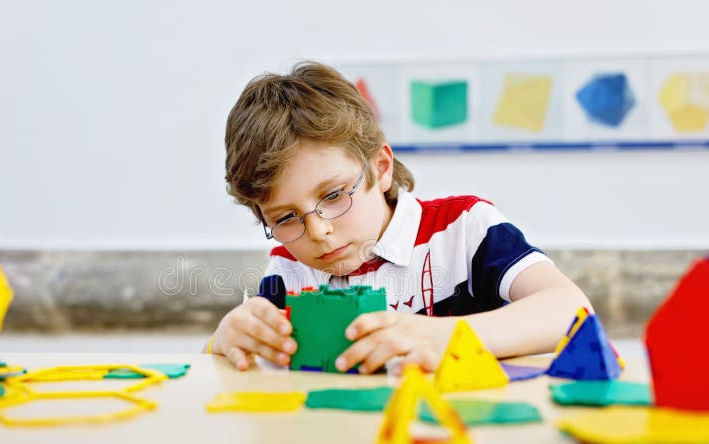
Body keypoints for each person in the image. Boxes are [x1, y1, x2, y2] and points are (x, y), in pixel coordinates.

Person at [207, 61, 591, 374]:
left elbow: (573, 311)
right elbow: (249, 357)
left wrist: (447, 336)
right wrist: (225, 337)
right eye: (286, 217)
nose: (319, 231)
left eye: (335, 195)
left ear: (381, 167)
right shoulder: (287, 268)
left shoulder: (464, 228)